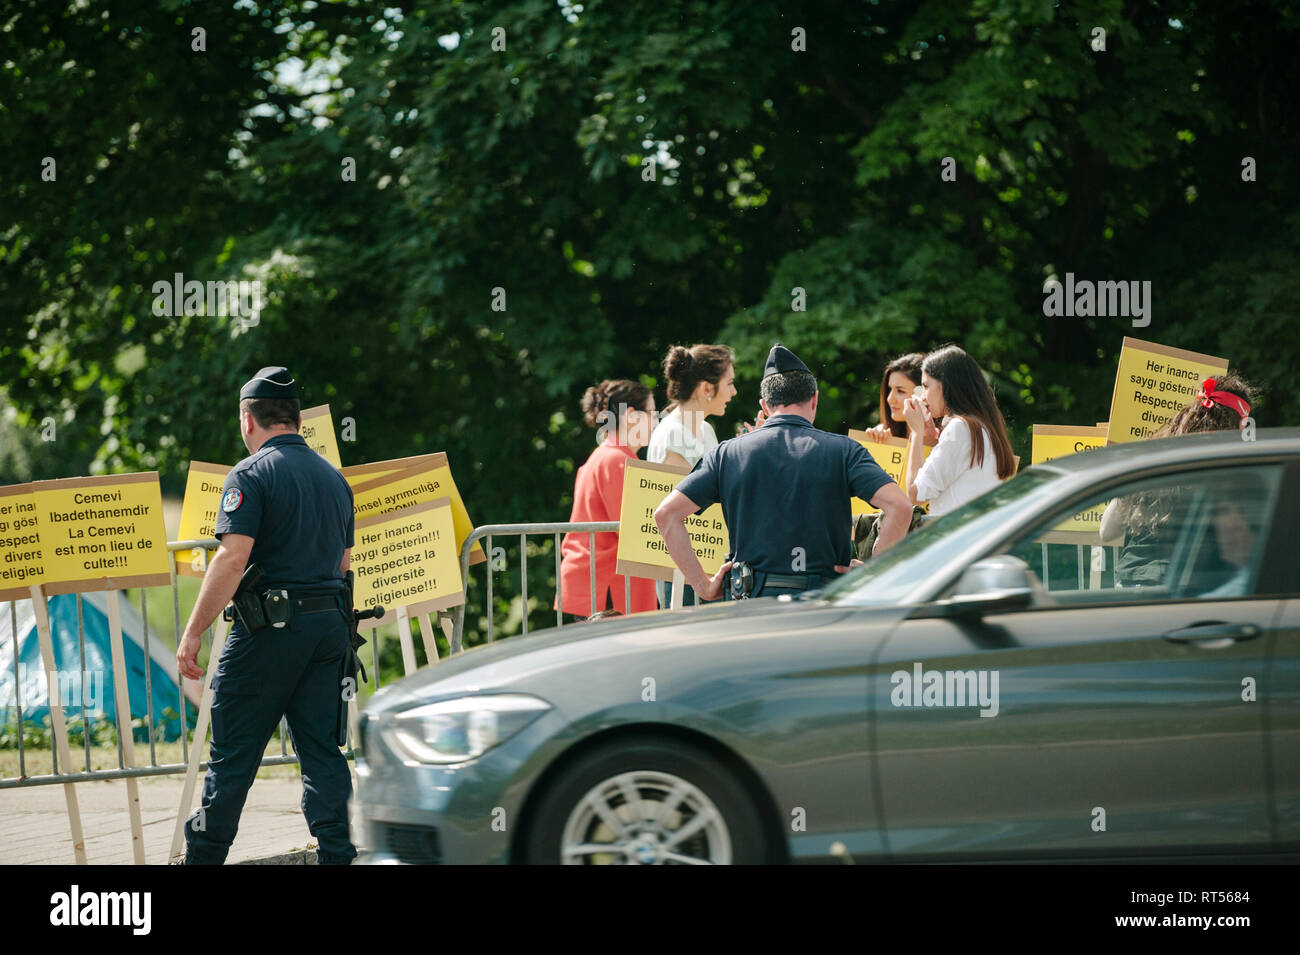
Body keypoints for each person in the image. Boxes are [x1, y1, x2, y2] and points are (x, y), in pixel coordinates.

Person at [175, 366, 357, 865]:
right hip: (329, 631)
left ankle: (204, 858)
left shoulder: (250, 474)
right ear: (296, 419)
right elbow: (343, 564)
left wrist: (193, 634)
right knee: (322, 751)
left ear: (247, 419)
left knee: (232, 756)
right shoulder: (335, 480)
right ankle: (339, 855)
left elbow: (232, 559)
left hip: (270, 632)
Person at [654, 344, 913, 600]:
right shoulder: (845, 451)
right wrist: (872, 573)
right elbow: (900, 506)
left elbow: (666, 514)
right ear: (814, 399)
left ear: (765, 406)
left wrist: (703, 586)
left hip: (751, 605)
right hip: (825, 604)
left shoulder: (725, 455)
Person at [1099, 373, 1256, 589]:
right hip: (1181, 592)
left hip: (1129, 589)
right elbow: (1236, 549)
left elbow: (1106, 532)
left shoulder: (1150, 457)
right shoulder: (1227, 471)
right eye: (1246, 425)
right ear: (1237, 423)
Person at [557, 379, 659, 619]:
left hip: (597, 584)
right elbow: (635, 531)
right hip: (607, 587)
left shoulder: (607, 456)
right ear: (632, 415)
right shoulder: (616, 461)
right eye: (652, 414)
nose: (656, 422)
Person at [647, 344, 736, 607]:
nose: (734, 392)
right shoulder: (673, 433)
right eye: (729, 383)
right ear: (706, 388)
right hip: (682, 571)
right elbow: (685, 509)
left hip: (705, 560)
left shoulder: (705, 430)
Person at [902, 345, 1016, 517]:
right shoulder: (981, 425)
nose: (923, 396)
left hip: (957, 538)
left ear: (945, 386)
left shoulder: (959, 428)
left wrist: (916, 433)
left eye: (926, 386)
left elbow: (915, 494)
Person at [865, 352, 938, 444]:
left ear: (923, 394)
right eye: (890, 389)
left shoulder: (945, 439)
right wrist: (874, 443)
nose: (890, 399)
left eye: (900, 391)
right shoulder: (880, 434)